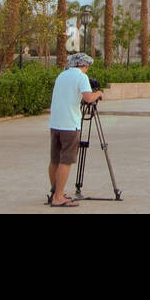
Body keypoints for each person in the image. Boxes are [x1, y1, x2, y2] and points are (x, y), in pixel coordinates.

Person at [47, 52, 103, 207]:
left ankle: (55, 192)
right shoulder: (81, 77)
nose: (87, 69)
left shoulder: (62, 75)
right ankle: (59, 197)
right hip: (69, 124)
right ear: (83, 65)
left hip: (55, 123)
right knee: (66, 160)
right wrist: (98, 93)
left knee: (55, 160)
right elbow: (88, 98)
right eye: (87, 66)